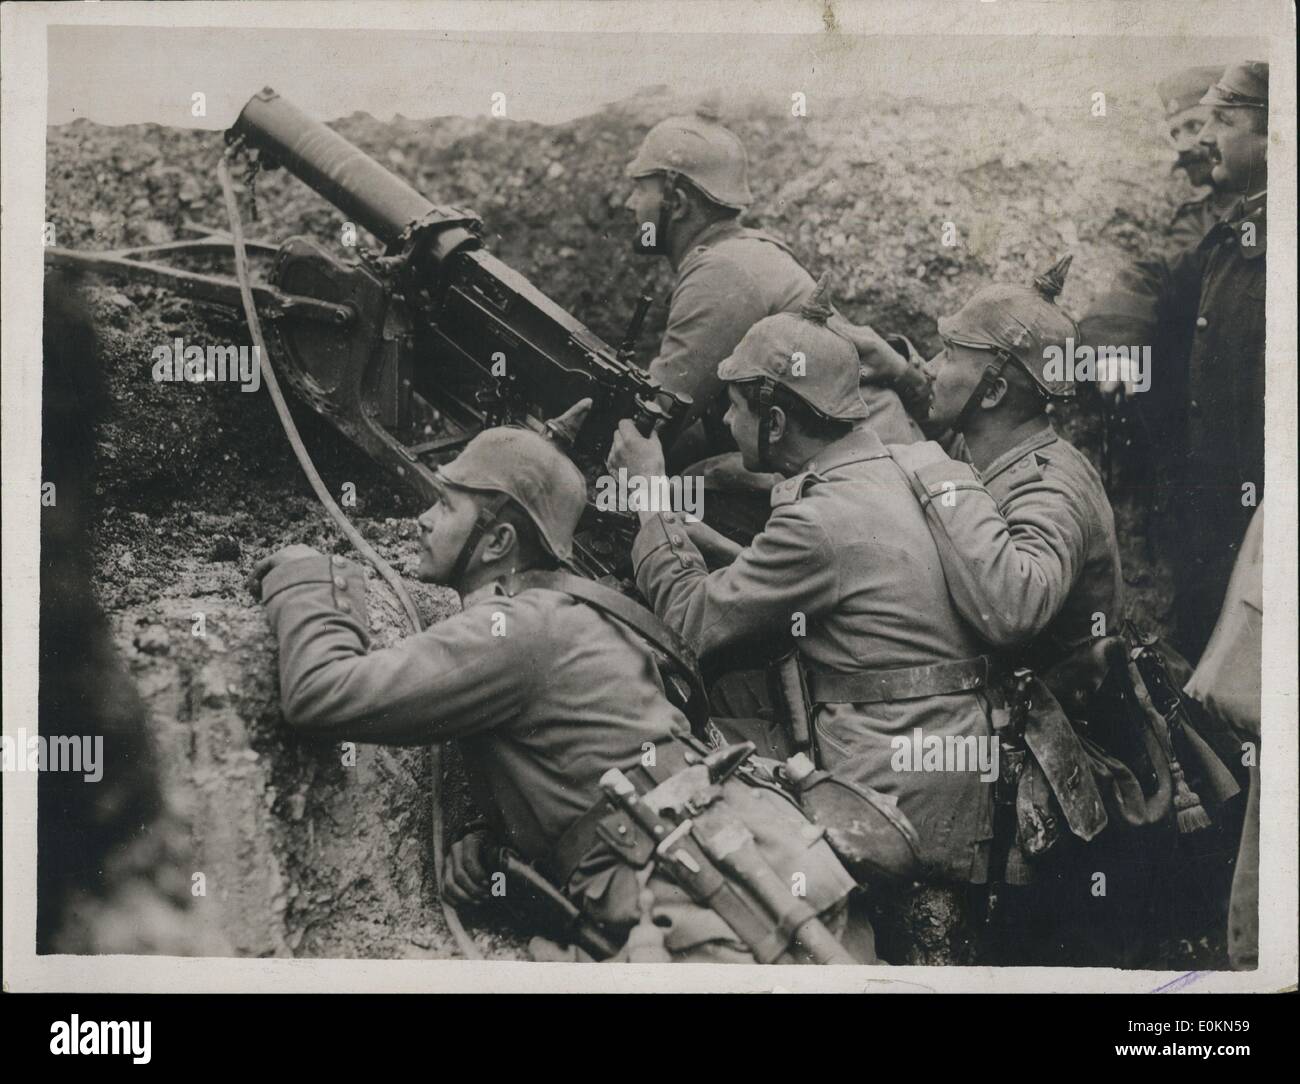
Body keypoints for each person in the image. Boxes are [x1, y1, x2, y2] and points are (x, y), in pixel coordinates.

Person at [252, 425, 867, 963]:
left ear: (497, 544)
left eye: (445, 504)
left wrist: (311, 581)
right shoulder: (580, 610)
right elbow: (589, 753)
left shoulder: (514, 629)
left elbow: (319, 694)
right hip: (781, 874)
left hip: (721, 919)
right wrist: (490, 838)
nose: (423, 518)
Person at [609, 277, 998, 963]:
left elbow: (693, 627)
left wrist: (648, 498)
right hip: (948, 771)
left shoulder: (820, 521)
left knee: (670, 760)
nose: (726, 424)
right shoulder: (892, 466)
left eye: (733, 408)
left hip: (887, 798)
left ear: (778, 422)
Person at [623, 104, 919, 539]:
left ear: (678, 201)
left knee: (654, 502)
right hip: (867, 468)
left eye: (640, 189)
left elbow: (655, 416)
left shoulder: (724, 272)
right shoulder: (743, 254)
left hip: (863, 489)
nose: (630, 203)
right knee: (692, 477)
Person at [1082, 61, 1269, 661]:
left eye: (1213, 122)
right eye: (1184, 131)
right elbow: (1152, 280)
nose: (1197, 142)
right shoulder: (1213, 223)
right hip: (1217, 484)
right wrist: (1110, 348)